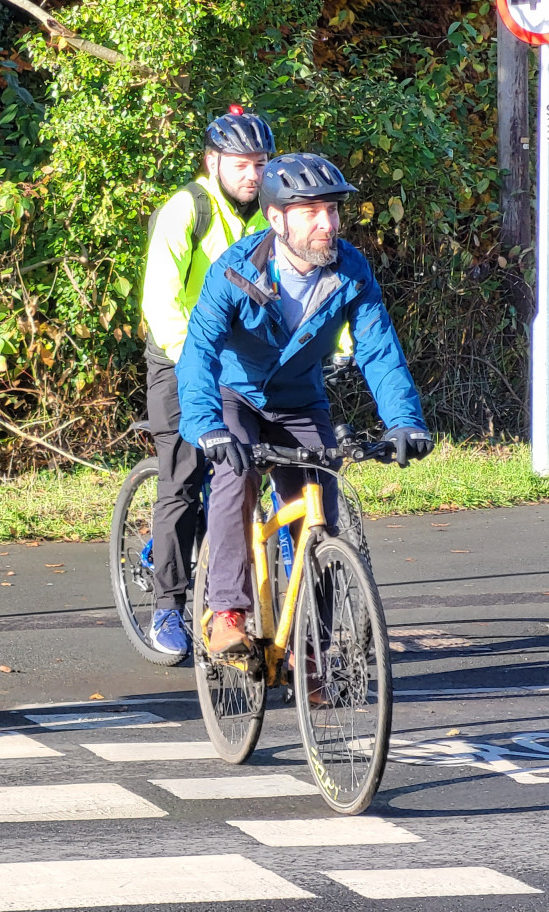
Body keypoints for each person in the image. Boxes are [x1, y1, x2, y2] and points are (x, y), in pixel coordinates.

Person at [176, 153, 433, 656]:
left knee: (318, 514)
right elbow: (198, 355)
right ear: (276, 219)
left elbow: (378, 348)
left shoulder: (350, 269)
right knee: (236, 477)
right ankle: (227, 610)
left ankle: (308, 648)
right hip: (237, 396)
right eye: (311, 212)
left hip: (299, 401)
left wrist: (404, 421)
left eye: (332, 211)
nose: (327, 224)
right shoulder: (234, 271)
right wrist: (208, 425)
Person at [137, 107, 273, 659]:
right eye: (241, 163)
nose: (253, 174)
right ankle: (167, 608)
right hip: (180, 356)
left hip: (242, 362)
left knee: (255, 466)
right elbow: (159, 300)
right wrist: (191, 360)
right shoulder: (185, 210)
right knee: (184, 478)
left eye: (261, 163)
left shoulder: (271, 213)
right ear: (213, 161)